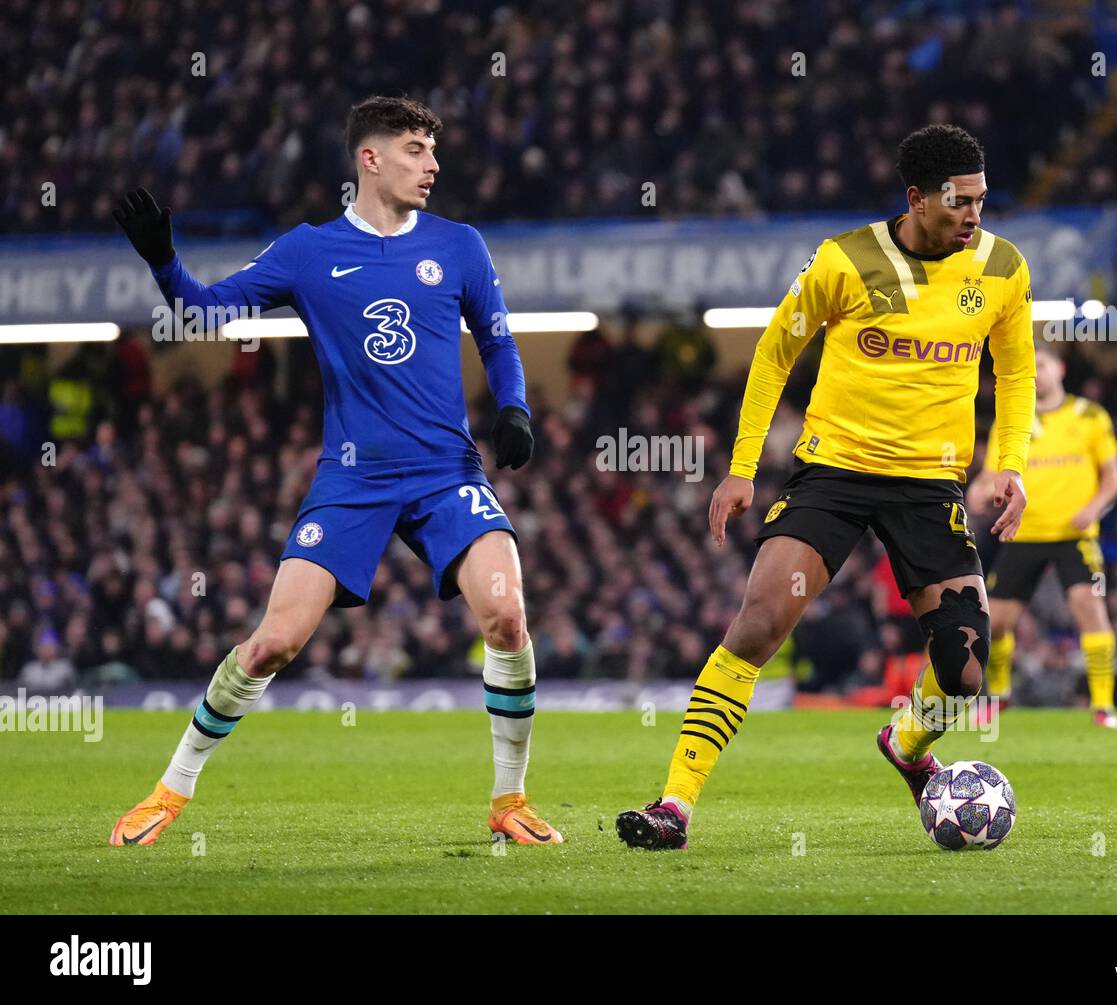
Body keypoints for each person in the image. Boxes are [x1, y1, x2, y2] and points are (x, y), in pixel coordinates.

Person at [108, 96, 562, 847]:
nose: (433, 164)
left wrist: (513, 405)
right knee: (273, 643)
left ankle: (509, 799)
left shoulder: (460, 245)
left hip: (448, 471)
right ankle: (169, 789)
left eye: (433, 149)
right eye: (417, 148)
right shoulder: (307, 252)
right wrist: (164, 261)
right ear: (370, 159)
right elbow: (204, 315)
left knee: (508, 616)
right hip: (353, 479)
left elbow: (497, 337)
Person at [616, 125, 1035, 850]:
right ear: (916, 199)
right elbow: (775, 351)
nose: (974, 216)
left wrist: (1012, 462)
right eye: (959, 202)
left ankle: (906, 745)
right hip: (834, 472)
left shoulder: (1003, 267)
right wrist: (743, 466)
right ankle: (674, 806)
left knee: (965, 672)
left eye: (981, 200)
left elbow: (1018, 370)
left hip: (929, 481)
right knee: (758, 623)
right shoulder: (845, 260)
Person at [970, 341, 1117, 728]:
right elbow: (993, 476)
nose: (1037, 376)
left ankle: (1103, 706)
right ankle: (1001, 693)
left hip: (1075, 534)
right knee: (998, 621)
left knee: (1089, 606)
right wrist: (979, 491)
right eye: (1031, 369)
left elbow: (1113, 475)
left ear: (1061, 369)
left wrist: (1093, 508)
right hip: (1022, 532)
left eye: (1043, 365)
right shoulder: (1014, 424)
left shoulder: (1089, 416)